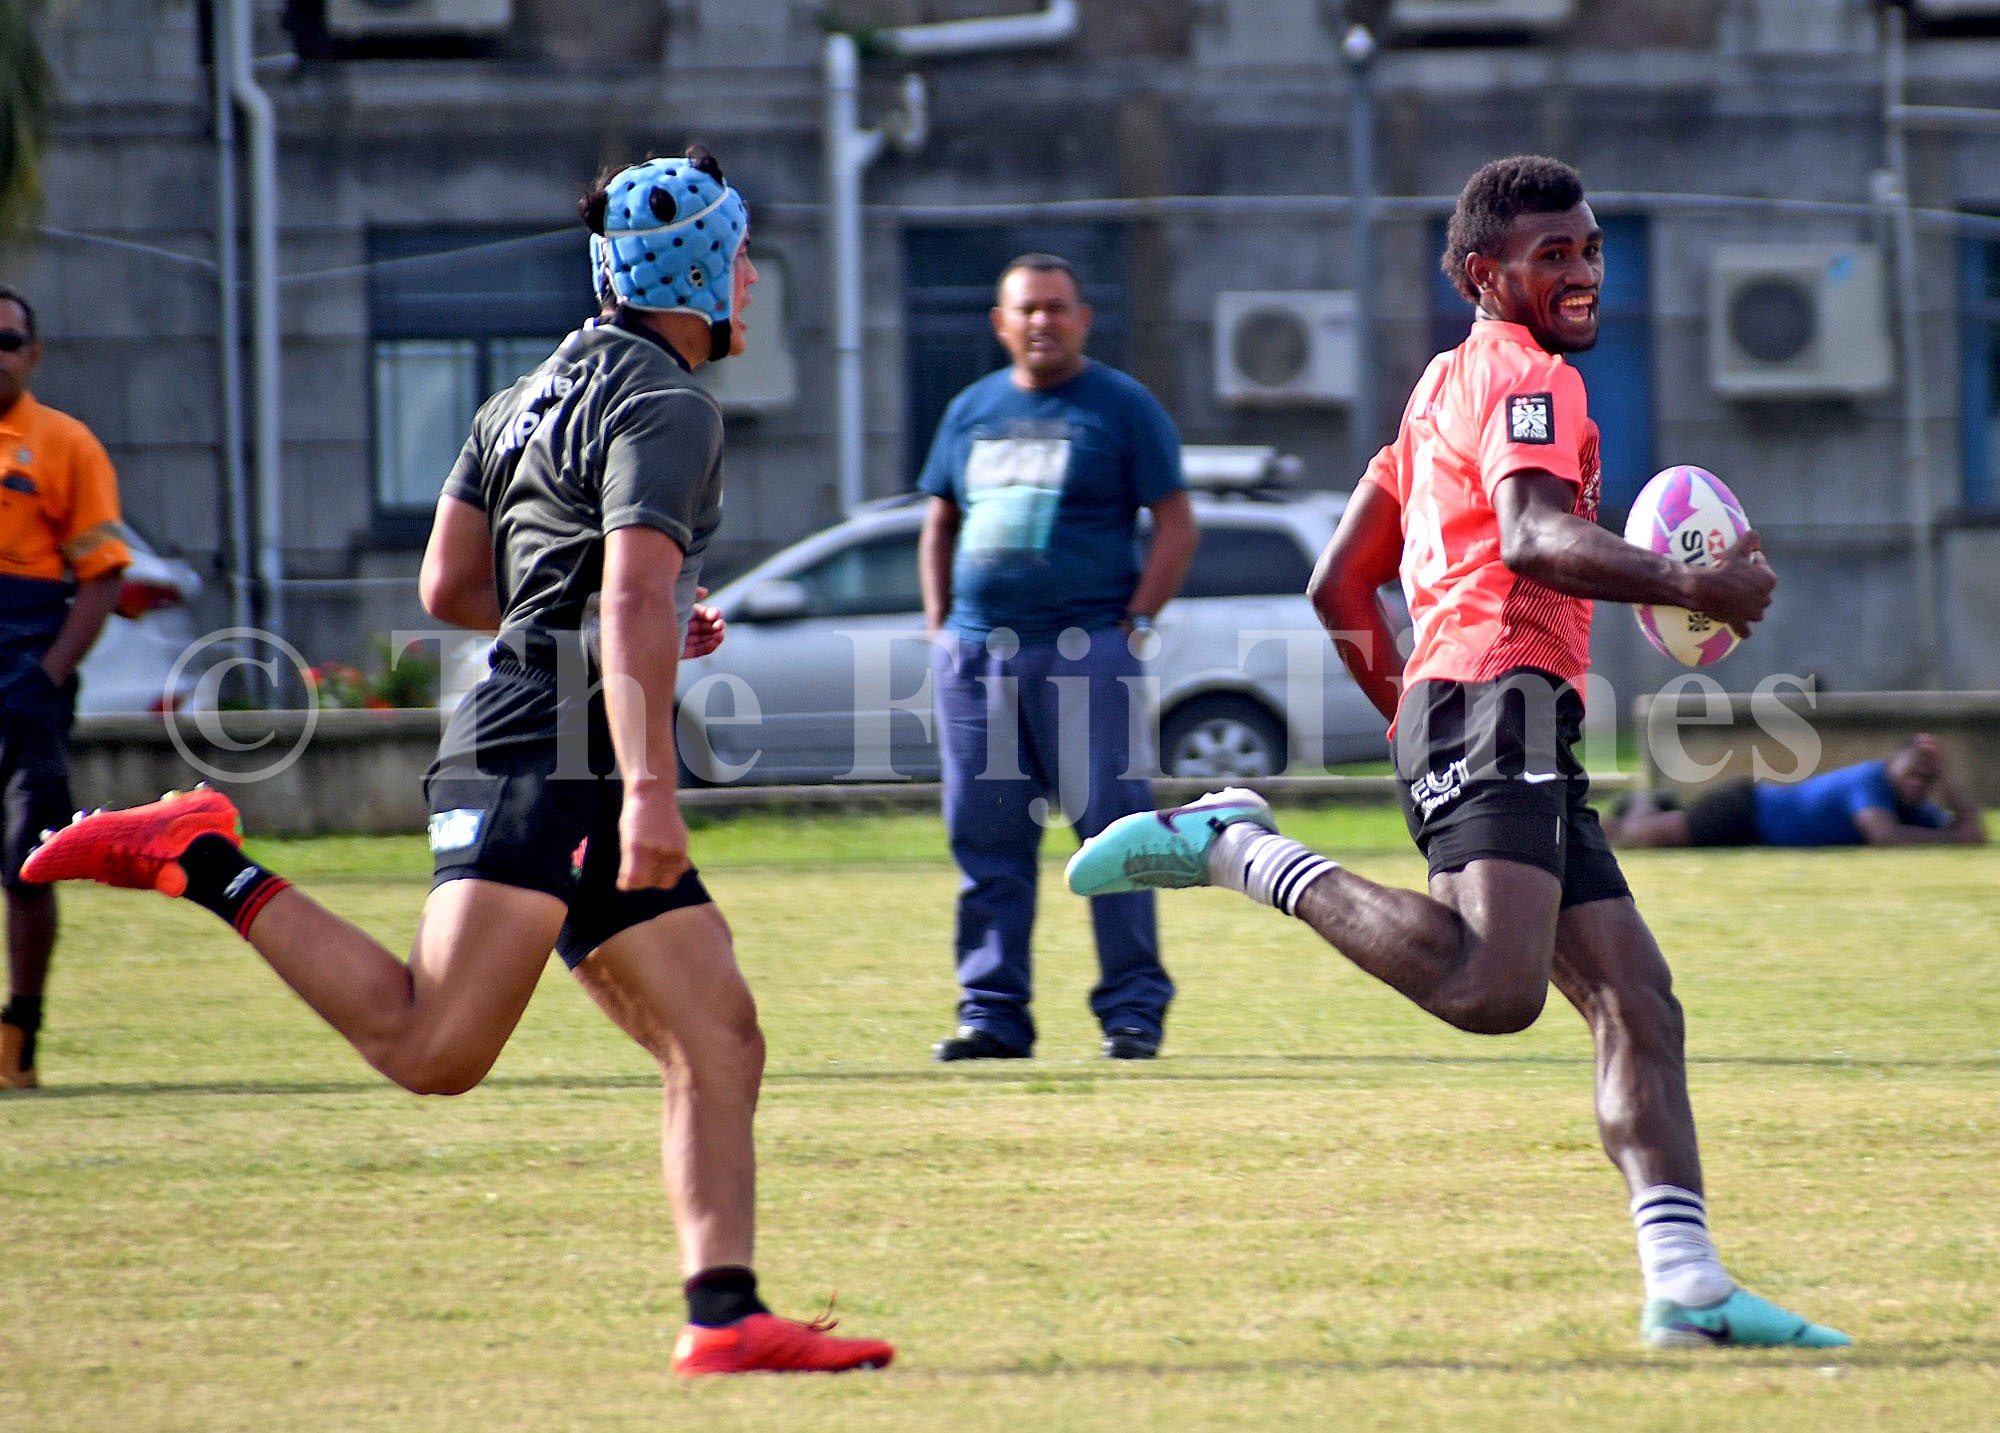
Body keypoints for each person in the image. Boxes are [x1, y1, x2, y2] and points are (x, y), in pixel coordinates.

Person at [25, 149, 893, 1375]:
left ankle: (725, 1311)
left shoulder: (520, 394)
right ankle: (202, 858)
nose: (750, 281)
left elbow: (453, 585)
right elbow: (635, 585)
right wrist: (648, 778)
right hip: (550, 752)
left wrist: (609, 619)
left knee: (718, 1034)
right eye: (742, 257)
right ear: (698, 266)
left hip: (548, 729)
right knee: (434, 1050)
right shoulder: (670, 402)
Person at [1068, 156, 1850, 1349]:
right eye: (1554, 256)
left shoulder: (1437, 388)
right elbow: (1534, 535)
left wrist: (1410, 714)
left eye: (1589, 249)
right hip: (1494, 698)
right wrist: (1689, 582)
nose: (1582, 273)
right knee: (1492, 988)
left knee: (1634, 997)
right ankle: (1240, 848)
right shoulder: (1525, 376)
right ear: (1487, 274)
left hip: (1494, 705)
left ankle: (1685, 1286)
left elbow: (1341, 582)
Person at [918, 252, 1199, 1062]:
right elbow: (938, 520)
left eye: (1056, 307)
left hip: (1084, 651)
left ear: (1082, 318)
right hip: (976, 659)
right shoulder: (972, 408)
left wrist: (1135, 622)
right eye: (1026, 309)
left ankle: (1133, 1012)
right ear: (1002, 324)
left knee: (1115, 836)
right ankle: (994, 1014)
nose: (1041, 321)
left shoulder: (1120, 406)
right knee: (987, 839)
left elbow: (1176, 521)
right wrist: (942, 627)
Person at [0, 284, 131, 1091]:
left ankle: (20, 1032)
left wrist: (45, 678)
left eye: (6, 342)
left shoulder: (65, 442)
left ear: (33, 353)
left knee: (28, 860)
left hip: (25, 668)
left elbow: (101, 578)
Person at [1606, 734, 1986, 848]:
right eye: (1911, 772)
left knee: (1656, 835)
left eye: (1926, 778)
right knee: (1636, 837)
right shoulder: (1871, 782)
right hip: (1746, 810)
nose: (1916, 781)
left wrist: (1946, 779)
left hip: (1755, 831)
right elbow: (1883, 836)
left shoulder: (1910, 808)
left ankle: (1655, 805)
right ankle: (1640, 803)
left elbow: (1975, 833)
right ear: (1893, 764)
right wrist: (1952, 838)